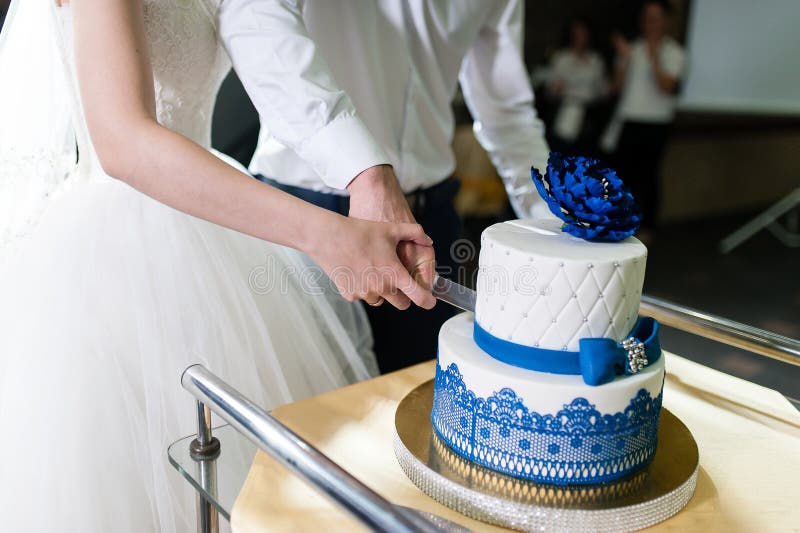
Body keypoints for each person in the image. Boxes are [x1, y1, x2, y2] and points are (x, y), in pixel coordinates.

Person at [0, 0, 435, 530]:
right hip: (111, 261)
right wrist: (328, 236)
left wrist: (370, 179)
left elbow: (282, 60)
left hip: (213, 237)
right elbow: (122, 141)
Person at [220, 0, 553, 373]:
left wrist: (553, 220)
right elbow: (259, 22)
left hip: (431, 225)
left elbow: (506, 112)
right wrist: (366, 173)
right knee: (309, 409)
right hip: (304, 216)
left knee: (414, 396)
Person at [602, 0, 687, 233]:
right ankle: (619, 223)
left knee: (647, 177)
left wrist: (653, 56)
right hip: (629, 120)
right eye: (647, 18)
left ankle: (647, 227)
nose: (651, 24)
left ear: (666, 21)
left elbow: (667, 86)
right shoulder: (632, 48)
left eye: (656, 18)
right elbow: (616, 87)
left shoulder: (675, 52)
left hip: (656, 122)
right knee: (621, 175)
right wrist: (624, 60)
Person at [546, 17, 607, 154]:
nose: (580, 37)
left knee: (584, 157)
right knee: (560, 153)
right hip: (565, 111)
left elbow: (602, 90)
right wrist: (556, 89)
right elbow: (550, 91)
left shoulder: (596, 60)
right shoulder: (562, 58)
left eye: (583, 33)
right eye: (576, 33)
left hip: (588, 116)